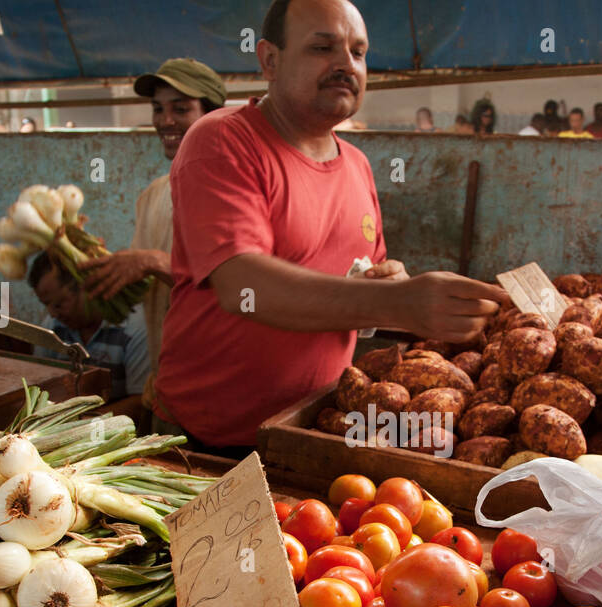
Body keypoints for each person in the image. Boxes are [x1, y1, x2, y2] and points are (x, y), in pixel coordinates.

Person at [155, 0, 510, 453]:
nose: (347, 65)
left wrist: (388, 289)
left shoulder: (357, 166)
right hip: (205, 442)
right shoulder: (222, 140)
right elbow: (243, 286)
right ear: (270, 59)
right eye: (323, 47)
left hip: (309, 430)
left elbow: (360, 283)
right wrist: (397, 302)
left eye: (358, 52)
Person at [83, 57, 227, 416]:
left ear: (211, 115)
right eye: (158, 109)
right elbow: (145, 290)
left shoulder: (234, 191)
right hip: (167, 380)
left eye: (180, 109)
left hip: (221, 383)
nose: (165, 121)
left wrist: (151, 261)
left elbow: (240, 288)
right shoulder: (153, 195)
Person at [27, 252, 150, 405]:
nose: (52, 314)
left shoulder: (134, 329)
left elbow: (140, 401)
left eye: (59, 304)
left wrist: (90, 424)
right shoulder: (53, 328)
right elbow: (39, 388)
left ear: (86, 287)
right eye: (47, 305)